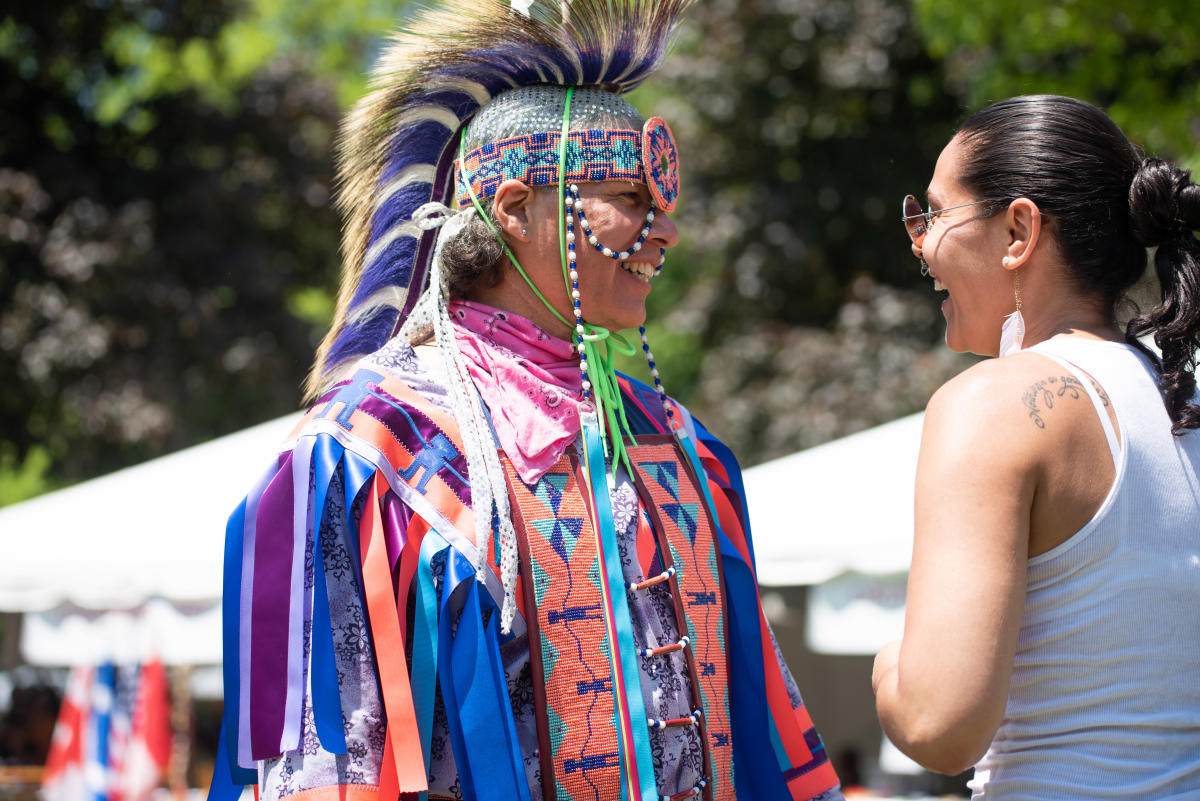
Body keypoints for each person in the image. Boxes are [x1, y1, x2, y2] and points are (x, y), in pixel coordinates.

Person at [207, 2, 843, 801]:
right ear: (513, 208)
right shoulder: (371, 448)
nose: (666, 233)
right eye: (627, 197)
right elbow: (330, 760)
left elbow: (758, 721)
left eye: (662, 205)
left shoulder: (676, 442)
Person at [871, 94, 1200, 798]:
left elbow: (938, 723)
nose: (920, 243)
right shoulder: (1185, 400)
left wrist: (888, 663)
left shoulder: (993, 406)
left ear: (1018, 230)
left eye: (932, 214)